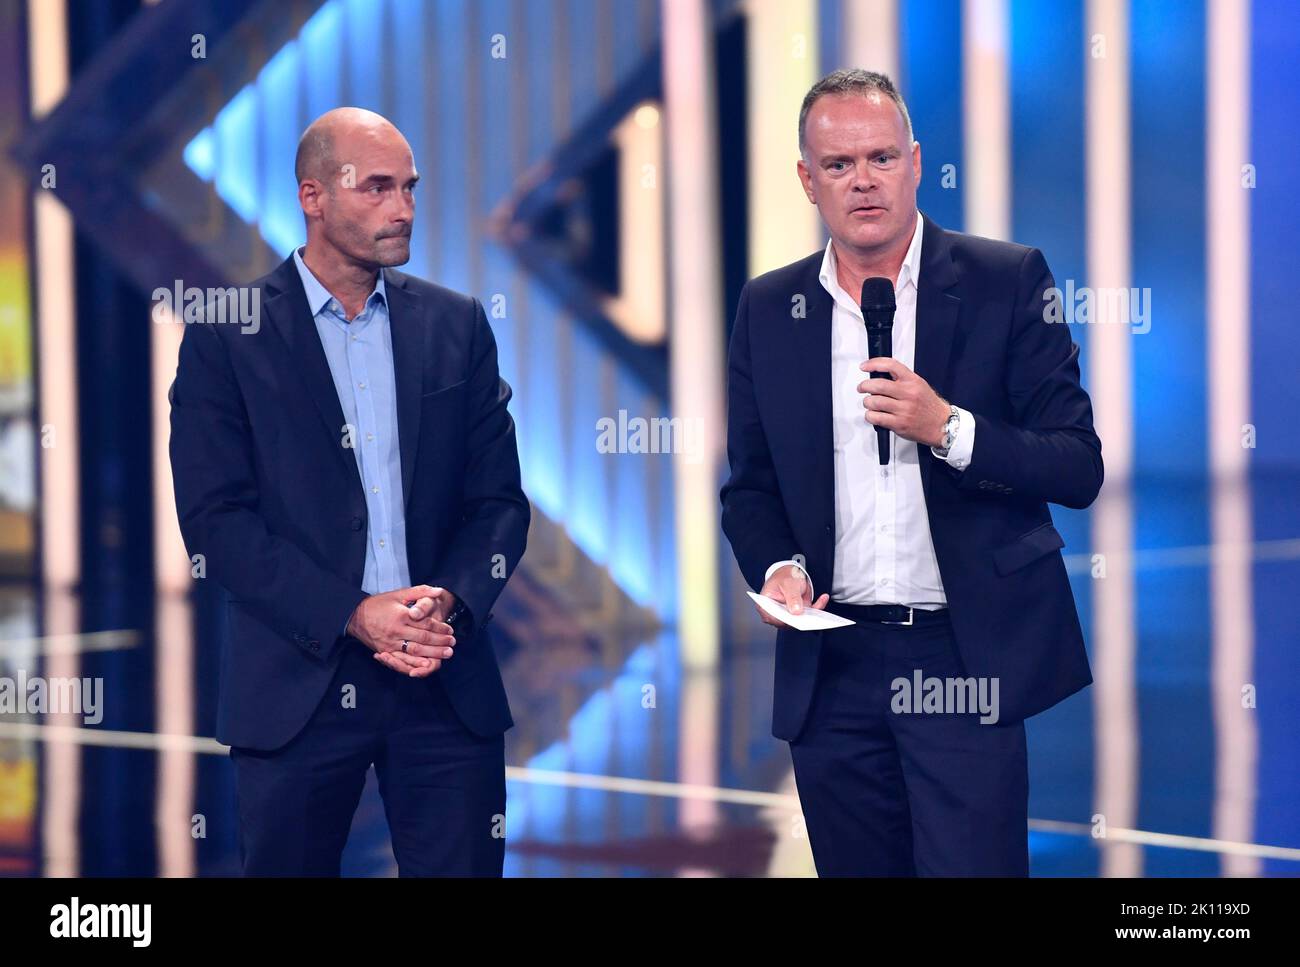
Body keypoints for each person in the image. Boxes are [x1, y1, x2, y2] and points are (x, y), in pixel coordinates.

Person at [720, 70, 1102, 876]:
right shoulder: (769, 307)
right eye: (839, 164)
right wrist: (778, 568)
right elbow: (751, 487)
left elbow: (1077, 463)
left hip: (961, 658)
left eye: (882, 157)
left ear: (917, 163)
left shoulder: (1006, 280)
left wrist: (948, 427)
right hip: (834, 667)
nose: (863, 180)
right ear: (806, 179)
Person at [169, 108, 529, 876]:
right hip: (299, 684)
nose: (401, 209)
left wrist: (448, 604)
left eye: (408, 188)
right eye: (376, 188)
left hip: (441, 674)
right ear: (313, 195)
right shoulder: (225, 336)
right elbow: (216, 523)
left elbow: (498, 502)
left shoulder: (455, 326)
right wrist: (353, 615)